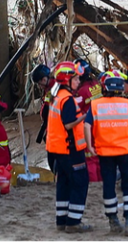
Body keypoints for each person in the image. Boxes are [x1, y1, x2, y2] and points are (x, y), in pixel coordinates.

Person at [84, 71, 128, 237]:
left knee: (109, 185)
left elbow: (87, 126)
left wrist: (89, 145)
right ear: (121, 89)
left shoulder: (96, 105)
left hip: (105, 151)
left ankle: (113, 221)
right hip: (127, 150)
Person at [46, 61, 92, 233]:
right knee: (80, 182)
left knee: (64, 183)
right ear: (67, 79)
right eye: (76, 78)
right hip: (70, 149)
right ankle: (73, 221)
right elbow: (68, 124)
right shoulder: (67, 99)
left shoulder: (56, 95)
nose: (79, 81)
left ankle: (62, 220)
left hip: (57, 149)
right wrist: (85, 117)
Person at [74, 59, 102, 182]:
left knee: (89, 158)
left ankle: (93, 183)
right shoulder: (96, 84)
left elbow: (76, 110)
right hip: (100, 124)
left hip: (88, 126)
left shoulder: (81, 91)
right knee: (99, 156)